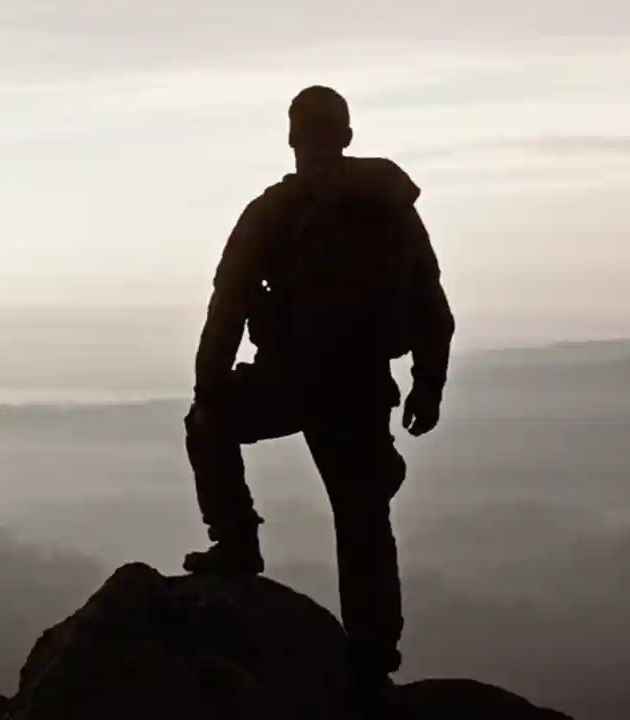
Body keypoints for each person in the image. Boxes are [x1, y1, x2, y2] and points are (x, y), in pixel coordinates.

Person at [182, 85, 455, 714]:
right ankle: (372, 657)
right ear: (348, 136)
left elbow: (228, 302)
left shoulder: (275, 210)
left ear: (292, 137)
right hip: (361, 387)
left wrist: (210, 385)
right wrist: (428, 384)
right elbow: (431, 301)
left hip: (291, 379)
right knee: (363, 519)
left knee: (209, 421)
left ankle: (237, 540)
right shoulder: (392, 210)